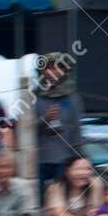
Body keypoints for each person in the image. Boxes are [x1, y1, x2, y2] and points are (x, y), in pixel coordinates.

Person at [34, 53, 84, 195]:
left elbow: (77, 130)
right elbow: (27, 131)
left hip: (65, 160)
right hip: (39, 160)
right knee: (39, 201)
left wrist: (78, 158)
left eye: (58, 68)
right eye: (49, 68)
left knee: (62, 199)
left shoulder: (73, 97)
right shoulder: (33, 97)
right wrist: (45, 119)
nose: (54, 72)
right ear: (42, 71)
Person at [40, 156, 104, 216]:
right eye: (78, 169)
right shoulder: (56, 187)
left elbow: (97, 208)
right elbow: (58, 213)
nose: (82, 173)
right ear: (67, 171)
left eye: (87, 169)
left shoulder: (96, 183)